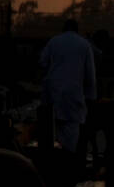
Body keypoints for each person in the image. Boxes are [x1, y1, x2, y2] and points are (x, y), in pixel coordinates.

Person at [38, 19, 97, 154]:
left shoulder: (53, 42)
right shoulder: (84, 44)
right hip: (74, 95)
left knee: (54, 131)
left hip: (53, 93)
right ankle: (68, 162)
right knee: (71, 134)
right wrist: (91, 97)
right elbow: (90, 75)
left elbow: (42, 62)